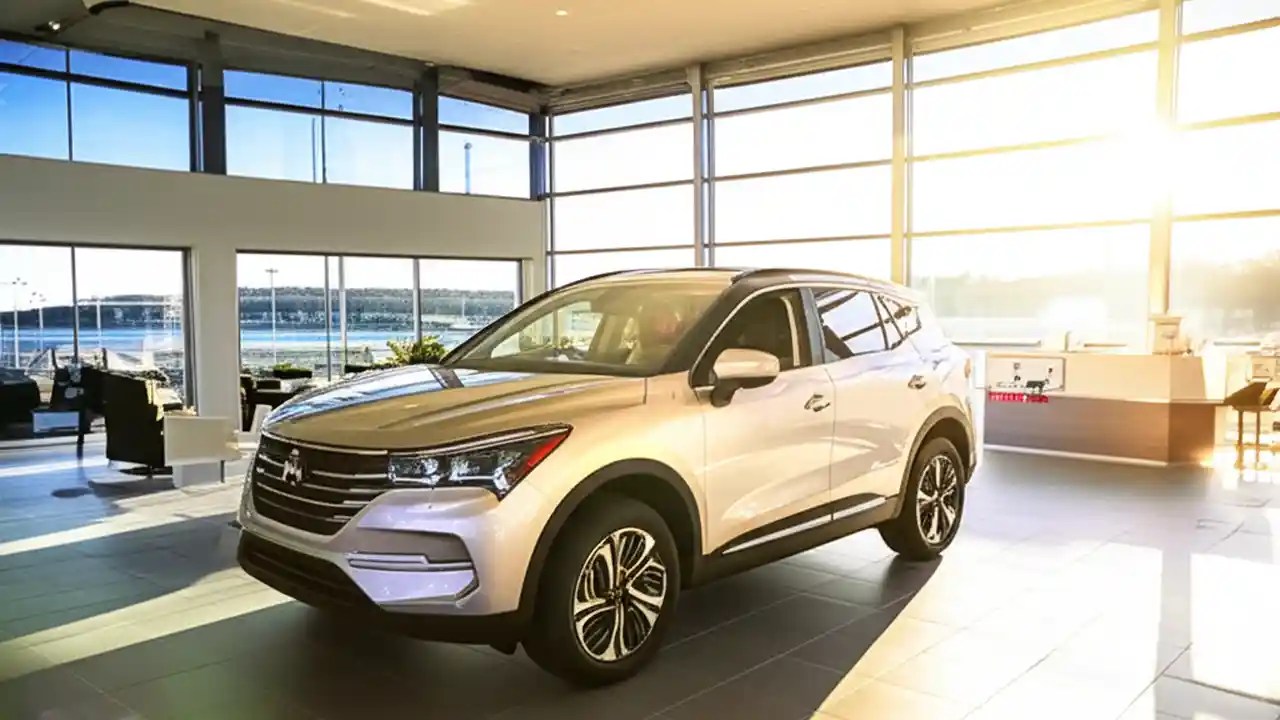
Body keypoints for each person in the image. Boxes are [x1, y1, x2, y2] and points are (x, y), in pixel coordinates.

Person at [626, 300, 684, 367]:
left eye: (670, 316)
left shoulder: (687, 341)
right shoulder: (642, 355)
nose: (666, 324)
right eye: (660, 320)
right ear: (649, 325)